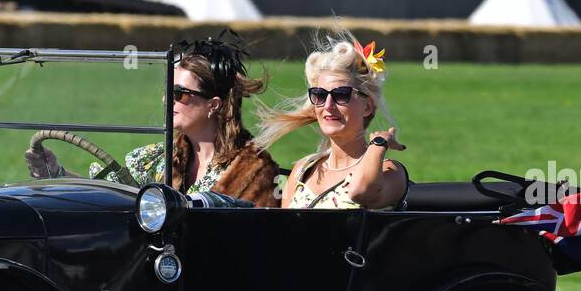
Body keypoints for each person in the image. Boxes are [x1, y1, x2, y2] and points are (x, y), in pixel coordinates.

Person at [25, 31, 281, 207]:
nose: (165, 101)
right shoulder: (159, 159)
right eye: (167, 91)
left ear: (213, 105)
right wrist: (55, 172)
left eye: (179, 94)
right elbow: (109, 194)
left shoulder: (253, 171)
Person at [256, 31, 409, 210]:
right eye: (319, 95)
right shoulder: (303, 170)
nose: (328, 105)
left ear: (367, 106)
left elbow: (361, 191)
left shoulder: (390, 171)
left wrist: (378, 145)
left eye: (341, 94)